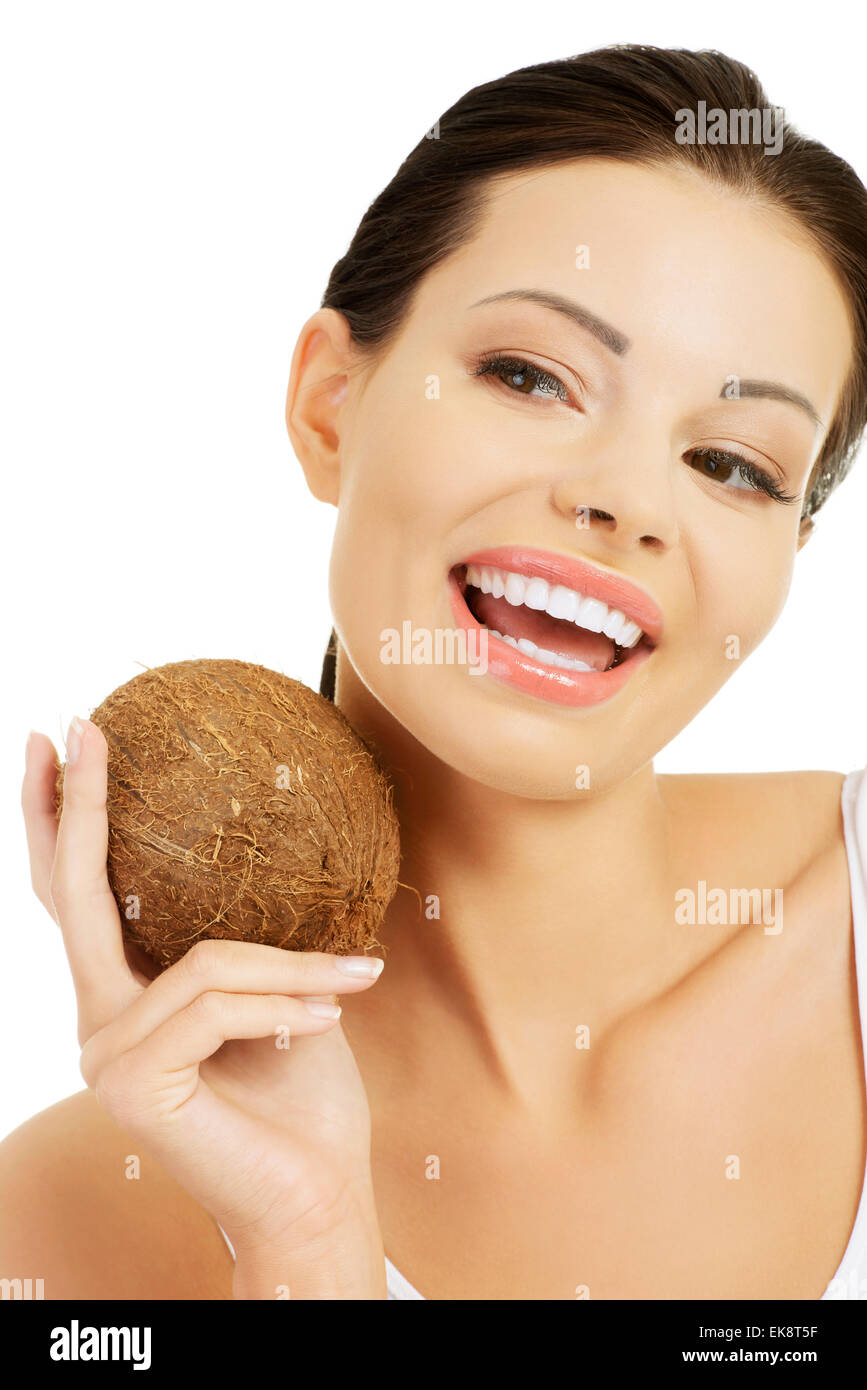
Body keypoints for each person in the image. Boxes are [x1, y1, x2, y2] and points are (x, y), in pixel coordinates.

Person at [4, 44, 867, 1300]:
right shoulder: (60, 1232)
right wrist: (306, 1243)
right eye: (531, 376)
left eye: (733, 462)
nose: (625, 502)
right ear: (328, 405)